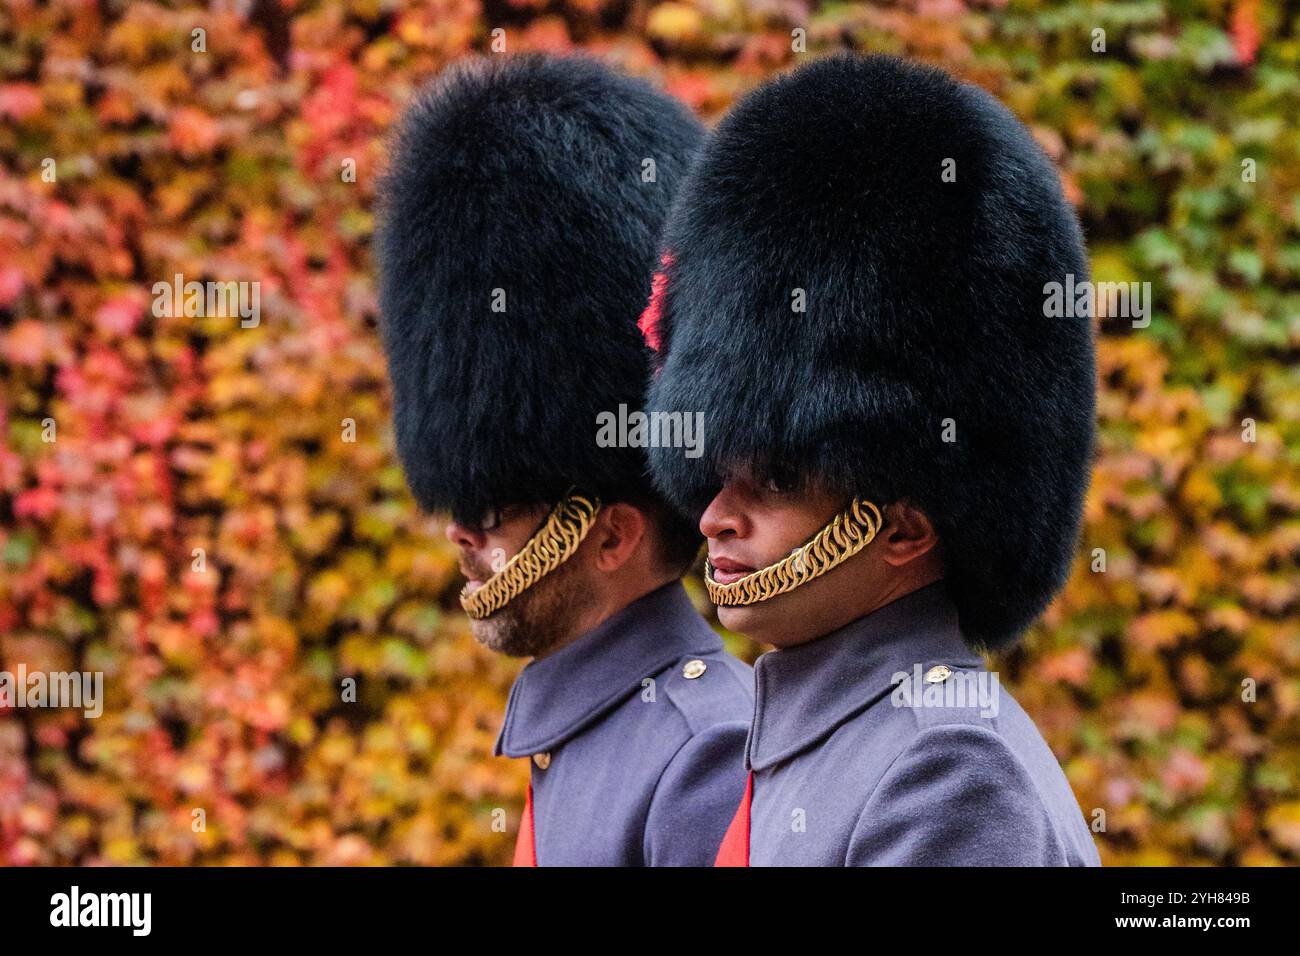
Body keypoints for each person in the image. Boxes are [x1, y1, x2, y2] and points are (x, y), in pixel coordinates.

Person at [643, 52, 1102, 866]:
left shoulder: (947, 769)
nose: (714, 513)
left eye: (777, 480)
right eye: (719, 471)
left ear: (904, 529)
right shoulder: (827, 738)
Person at [376, 54, 753, 866]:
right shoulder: (583, 724)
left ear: (612, 536)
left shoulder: (705, 755)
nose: (459, 533)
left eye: (492, 508)